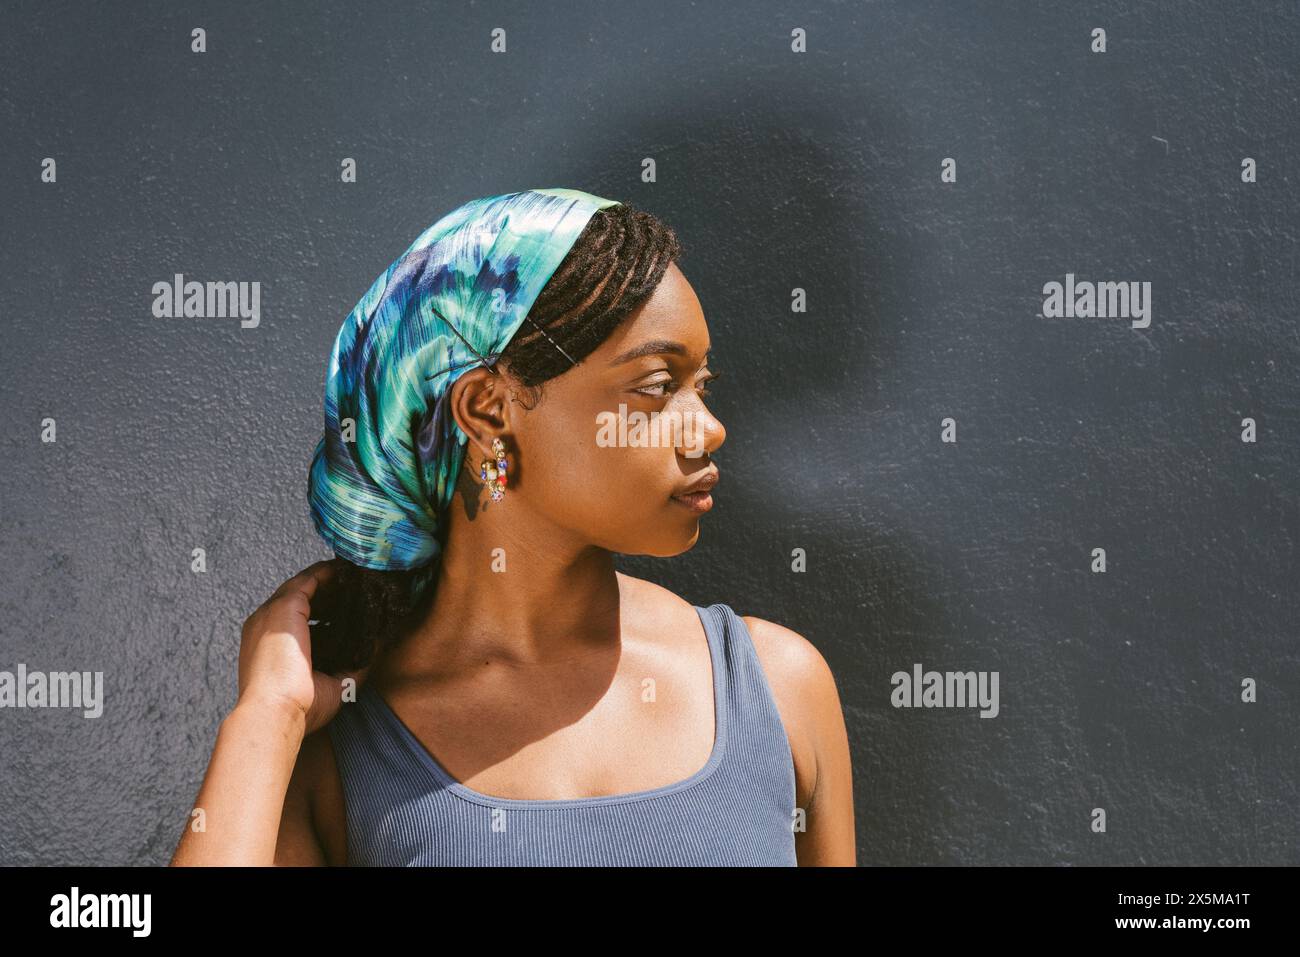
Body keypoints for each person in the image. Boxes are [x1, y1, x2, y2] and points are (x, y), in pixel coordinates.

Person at [171, 188, 855, 866]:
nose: (708, 428)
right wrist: (266, 716)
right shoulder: (335, 751)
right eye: (654, 385)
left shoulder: (776, 687)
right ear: (488, 410)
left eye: (700, 384)